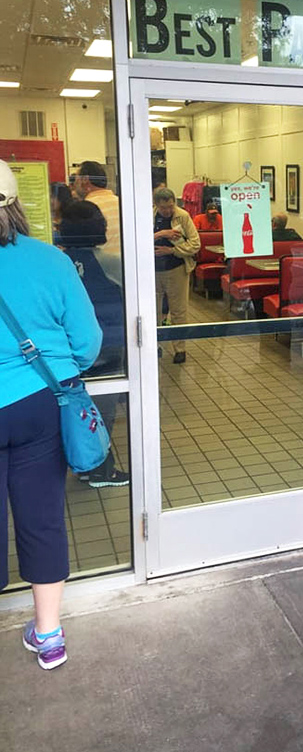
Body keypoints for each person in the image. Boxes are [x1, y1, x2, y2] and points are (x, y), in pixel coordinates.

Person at [0, 160, 102, 670]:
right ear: (16, 205)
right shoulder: (51, 260)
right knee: (42, 518)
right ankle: (50, 635)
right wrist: (63, 368)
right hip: (41, 403)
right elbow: (88, 343)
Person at [57, 200, 129, 487]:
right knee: (103, 408)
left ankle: (82, 462)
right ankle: (98, 468)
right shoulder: (111, 261)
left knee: (75, 405)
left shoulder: (57, 262)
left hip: (66, 347)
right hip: (107, 344)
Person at [153, 187, 200, 364]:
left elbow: (195, 244)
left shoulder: (183, 216)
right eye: (164, 207)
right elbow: (138, 240)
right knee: (154, 311)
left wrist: (172, 250)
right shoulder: (149, 216)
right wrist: (161, 234)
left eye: (171, 206)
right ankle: (154, 345)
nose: (168, 211)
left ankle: (180, 349)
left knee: (178, 311)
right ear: (156, 205)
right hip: (152, 271)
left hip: (176, 269)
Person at [73, 161, 122, 283]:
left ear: (85, 180)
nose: (74, 183)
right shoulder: (122, 203)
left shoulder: (86, 209)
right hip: (125, 273)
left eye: (76, 178)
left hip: (100, 275)